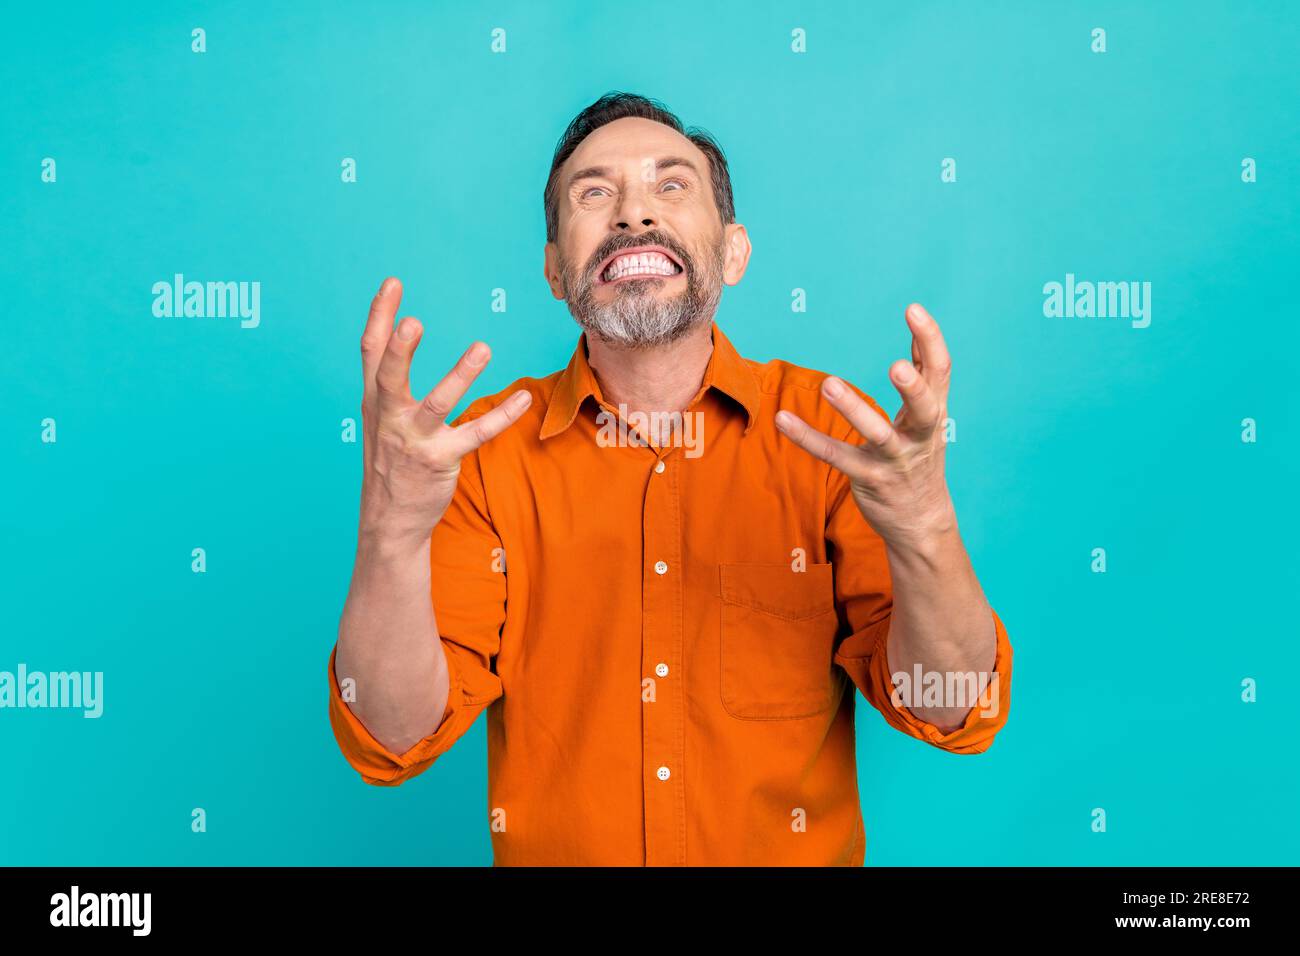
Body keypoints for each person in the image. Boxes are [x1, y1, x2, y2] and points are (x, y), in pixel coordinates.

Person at [328, 92, 1013, 866]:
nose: (634, 215)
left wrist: (925, 528)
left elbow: (951, 708)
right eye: (594, 193)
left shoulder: (836, 442)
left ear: (734, 250)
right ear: (555, 269)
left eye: (671, 185)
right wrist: (392, 530)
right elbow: (392, 732)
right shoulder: (472, 457)